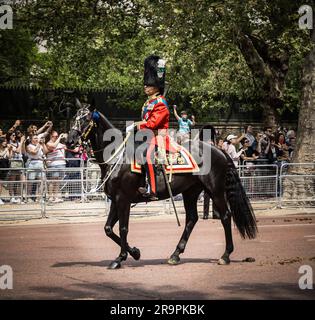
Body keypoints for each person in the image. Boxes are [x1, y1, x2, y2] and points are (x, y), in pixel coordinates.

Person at [131, 55, 170, 200]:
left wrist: (136, 126)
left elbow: (153, 123)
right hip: (146, 136)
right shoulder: (148, 102)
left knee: (148, 156)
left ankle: (153, 190)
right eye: (145, 84)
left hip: (158, 137)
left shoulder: (160, 103)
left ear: (156, 87)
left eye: (148, 85)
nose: (145, 87)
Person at [25, 134, 48, 202]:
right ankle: (28, 197)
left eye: (37, 138)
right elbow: (34, 152)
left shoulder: (40, 145)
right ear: (31, 139)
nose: (37, 139)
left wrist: (43, 144)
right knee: (31, 182)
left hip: (40, 163)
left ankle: (40, 197)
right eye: (35, 138)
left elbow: (46, 152)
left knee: (42, 181)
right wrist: (39, 145)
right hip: (32, 163)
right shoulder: (28, 146)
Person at [46, 131, 67, 203]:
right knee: (52, 181)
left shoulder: (61, 144)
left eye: (57, 136)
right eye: (55, 136)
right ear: (51, 136)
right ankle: (50, 197)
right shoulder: (48, 143)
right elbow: (54, 146)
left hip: (61, 164)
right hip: (53, 165)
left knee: (57, 182)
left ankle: (56, 197)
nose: (57, 137)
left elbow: (68, 147)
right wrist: (60, 137)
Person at [7, 131, 25, 204]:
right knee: (12, 182)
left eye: (15, 135)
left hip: (20, 163)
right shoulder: (9, 144)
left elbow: (23, 152)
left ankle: (19, 197)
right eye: (13, 135)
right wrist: (21, 141)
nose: (15, 136)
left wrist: (22, 143)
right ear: (10, 136)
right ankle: (12, 197)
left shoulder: (19, 143)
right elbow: (17, 151)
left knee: (22, 182)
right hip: (13, 163)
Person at [0, 137, 12, 205]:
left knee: (1, 184)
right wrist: (7, 149)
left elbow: (9, 157)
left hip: (4, 168)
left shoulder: (5, 149)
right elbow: (1, 155)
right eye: (4, 141)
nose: (6, 143)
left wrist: (10, 150)